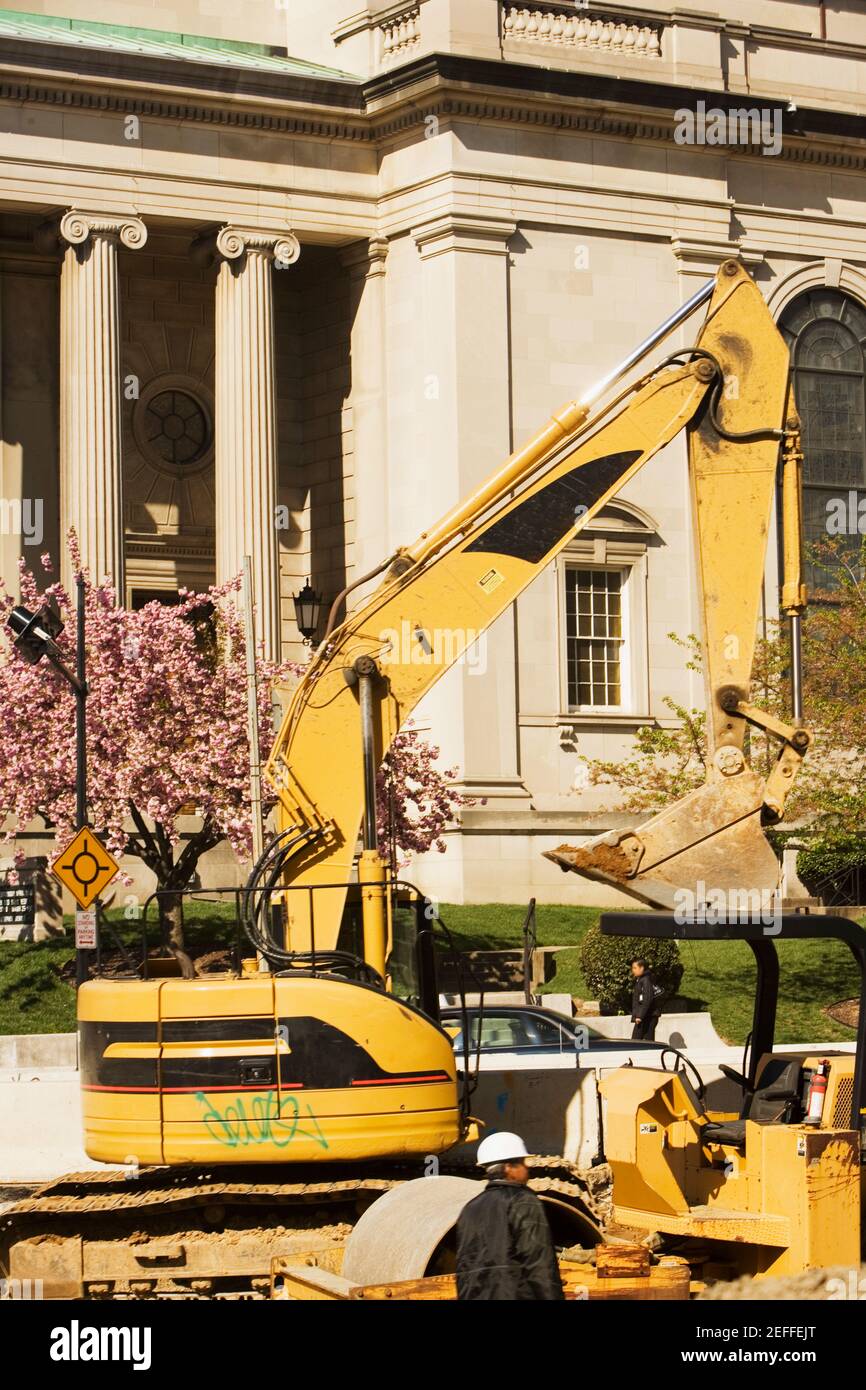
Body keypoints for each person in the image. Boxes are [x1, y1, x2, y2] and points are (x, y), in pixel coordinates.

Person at [455, 1131, 564, 1300]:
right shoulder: (523, 1201)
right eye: (521, 1162)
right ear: (508, 1168)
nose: (527, 1167)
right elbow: (539, 1263)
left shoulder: (470, 1209)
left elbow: (464, 1269)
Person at [631, 957, 662, 1040]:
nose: (633, 970)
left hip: (647, 1016)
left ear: (642, 968)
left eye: (635, 968)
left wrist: (640, 1016)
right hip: (646, 1015)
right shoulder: (642, 979)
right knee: (645, 1041)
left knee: (637, 1041)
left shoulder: (645, 980)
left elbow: (647, 999)